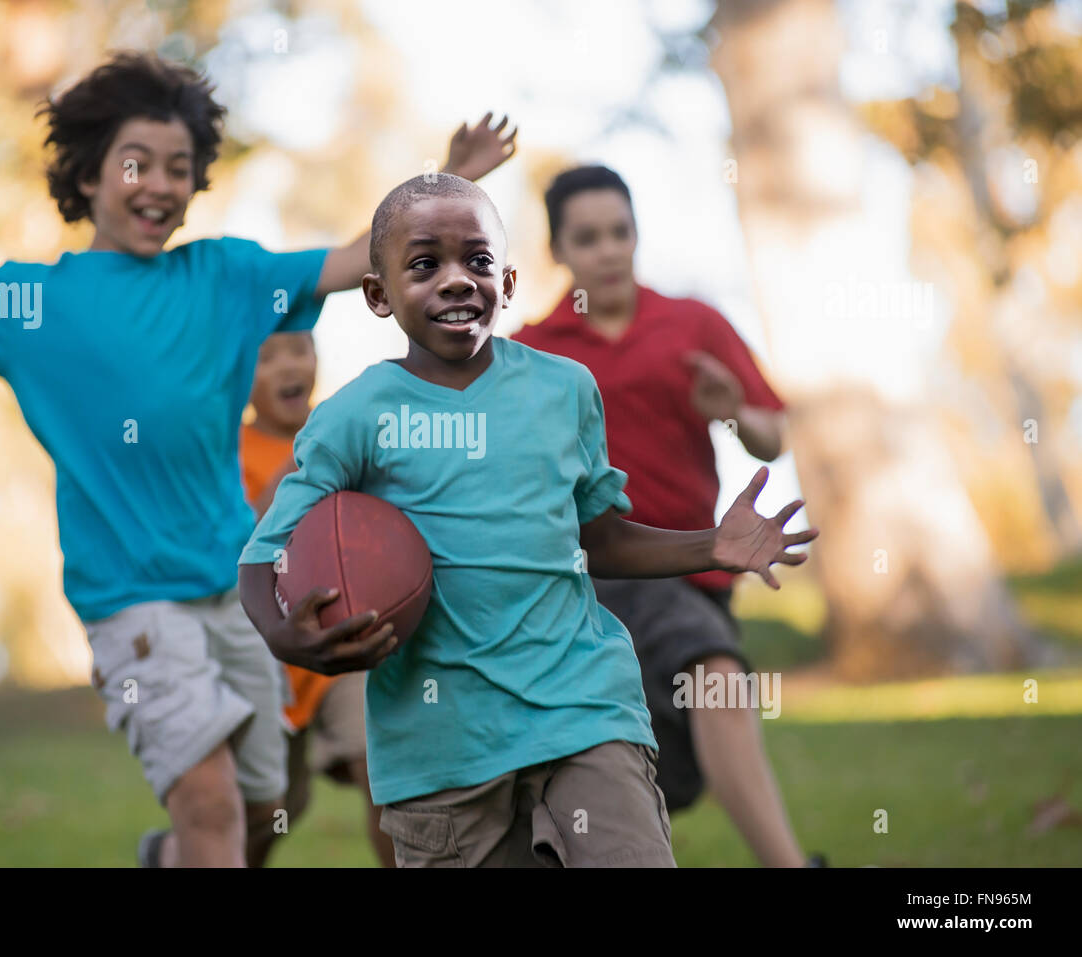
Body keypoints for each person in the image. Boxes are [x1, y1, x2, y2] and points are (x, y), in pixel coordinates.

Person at [0, 52, 517, 867]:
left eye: (179, 167)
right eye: (137, 163)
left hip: (240, 587)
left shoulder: (228, 277)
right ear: (89, 173)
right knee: (210, 804)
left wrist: (448, 179)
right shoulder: (31, 300)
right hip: (132, 602)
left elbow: (353, 260)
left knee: (264, 802)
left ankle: (169, 858)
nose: (159, 184)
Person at [238, 173, 817, 867]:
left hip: (581, 707)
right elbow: (262, 554)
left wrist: (710, 545)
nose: (456, 280)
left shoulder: (564, 388)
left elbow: (598, 538)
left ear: (507, 283)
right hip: (442, 744)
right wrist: (285, 635)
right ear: (377, 293)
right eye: (425, 264)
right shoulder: (356, 416)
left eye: (477, 261)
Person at [514, 164, 816, 867]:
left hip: (691, 564)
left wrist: (732, 411)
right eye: (587, 238)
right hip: (586, 576)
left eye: (621, 232)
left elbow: (772, 433)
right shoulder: (531, 351)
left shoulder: (693, 322)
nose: (609, 250)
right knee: (708, 672)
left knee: (686, 719)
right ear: (558, 250)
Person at [238, 331, 395, 868]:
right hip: (268, 650)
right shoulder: (233, 450)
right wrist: (305, 458)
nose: (288, 366)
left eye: (299, 349)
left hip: (343, 630)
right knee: (278, 805)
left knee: (378, 766)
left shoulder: (344, 433)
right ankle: (183, 855)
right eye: (267, 356)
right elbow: (245, 535)